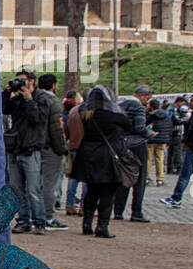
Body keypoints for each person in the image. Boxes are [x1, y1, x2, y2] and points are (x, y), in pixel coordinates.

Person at [73, 86, 132, 238]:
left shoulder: (85, 115)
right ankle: (102, 226)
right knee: (108, 192)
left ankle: (87, 224)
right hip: (107, 157)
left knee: (91, 191)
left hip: (89, 156)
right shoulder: (113, 116)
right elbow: (129, 126)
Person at [2, 72, 48, 234]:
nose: (20, 83)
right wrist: (7, 92)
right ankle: (23, 220)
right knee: (16, 189)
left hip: (31, 149)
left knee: (34, 189)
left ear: (32, 82)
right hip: (15, 148)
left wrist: (29, 100)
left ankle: (40, 221)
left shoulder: (40, 99)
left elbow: (37, 119)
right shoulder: (17, 100)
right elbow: (4, 108)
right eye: (18, 80)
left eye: (23, 80)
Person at [112, 84, 154, 223]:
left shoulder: (121, 105)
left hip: (122, 144)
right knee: (139, 179)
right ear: (142, 95)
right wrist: (150, 134)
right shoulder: (139, 108)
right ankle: (136, 212)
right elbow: (140, 127)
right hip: (137, 144)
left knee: (124, 176)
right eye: (147, 98)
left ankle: (118, 211)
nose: (147, 102)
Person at [35, 74, 69, 229]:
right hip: (49, 148)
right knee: (50, 184)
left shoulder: (33, 98)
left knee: (35, 184)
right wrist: (61, 149)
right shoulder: (53, 102)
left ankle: (33, 215)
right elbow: (56, 129)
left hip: (34, 147)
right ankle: (48, 217)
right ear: (54, 85)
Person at [62, 91, 84, 215]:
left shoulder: (72, 112)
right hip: (84, 147)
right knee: (86, 179)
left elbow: (67, 130)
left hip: (73, 145)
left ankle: (69, 205)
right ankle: (83, 206)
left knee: (73, 177)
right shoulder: (85, 112)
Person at [145, 98, 173, 186]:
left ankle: (146, 178)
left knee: (148, 160)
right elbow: (170, 127)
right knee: (160, 159)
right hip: (162, 140)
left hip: (151, 140)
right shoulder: (166, 116)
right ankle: (160, 179)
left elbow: (145, 126)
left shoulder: (150, 117)